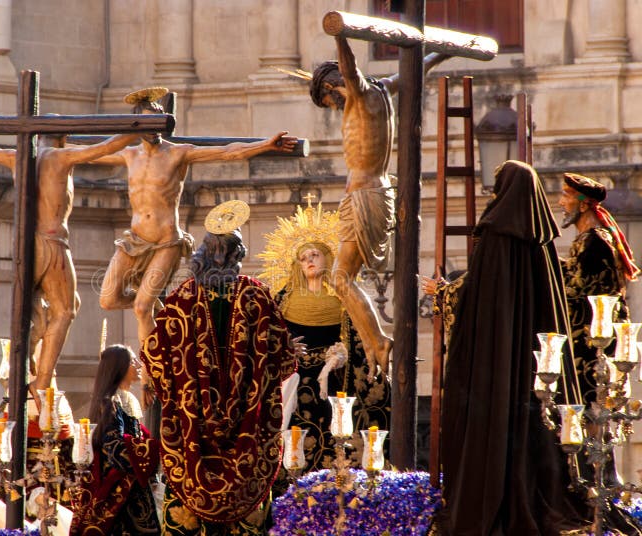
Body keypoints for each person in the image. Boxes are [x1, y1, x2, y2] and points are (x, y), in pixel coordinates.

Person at [0, 131, 140, 404]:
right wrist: (137, 129)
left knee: (35, 308)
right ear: (61, 138)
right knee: (65, 309)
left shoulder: (18, 157)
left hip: (25, 247)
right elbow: (107, 146)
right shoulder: (61, 157)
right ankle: (41, 381)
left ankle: (27, 365)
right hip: (52, 241)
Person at [436, 161, 589, 535]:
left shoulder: (493, 236)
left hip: (495, 361)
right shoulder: (542, 242)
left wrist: (445, 292)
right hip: (539, 363)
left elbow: (479, 297)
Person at [93, 87, 298, 348]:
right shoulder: (128, 154)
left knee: (142, 309)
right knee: (108, 300)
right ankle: (152, 301)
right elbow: (86, 156)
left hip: (166, 241)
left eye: (159, 122)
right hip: (134, 239)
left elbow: (228, 152)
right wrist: (53, 141)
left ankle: (150, 378)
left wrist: (265, 145)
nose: (156, 129)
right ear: (136, 125)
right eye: (149, 122)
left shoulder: (178, 153)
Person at [140, 200, 297, 535]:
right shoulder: (257, 296)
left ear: (206, 252)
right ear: (234, 254)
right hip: (247, 434)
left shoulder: (182, 298)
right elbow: (284, 360)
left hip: (193, 434)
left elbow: (155, 356)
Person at [309, 36, 449, 378]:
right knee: (342, 278)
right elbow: (416, 69)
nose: (333, 109)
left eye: (328, 102)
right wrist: (439, 52)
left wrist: (340, 35)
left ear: (332, 87)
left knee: (340, 278)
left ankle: (380, 341)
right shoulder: (384, 89)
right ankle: (374, 342)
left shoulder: (357, 95)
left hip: (364, 196)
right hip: (373, 192)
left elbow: (349, 68)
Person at [258, 203, 390, 479]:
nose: (309, 260)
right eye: (304, 256)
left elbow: (361, 337)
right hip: (296, 384)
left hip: (337, 387)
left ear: (329, 258)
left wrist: (342, 354)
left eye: (315, 254)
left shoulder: (346, 298)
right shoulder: (280, 301)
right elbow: (266, 342)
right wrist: (285, 351)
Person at [558, 173, 640, 404]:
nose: (560, 203)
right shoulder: (587, 240)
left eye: (566, 196)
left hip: (591, 352)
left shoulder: (595, 243)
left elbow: (575, 291)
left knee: (586, 414)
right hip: (584, 347)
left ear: (584, 204)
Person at [69, 345, 160, 535]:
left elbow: (136, 437)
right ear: (119, 367)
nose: (137, 365)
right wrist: (153, 451)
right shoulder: (109, 403)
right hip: (117, 492)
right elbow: (117, 451)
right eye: (132, 361)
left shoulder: (127, 399)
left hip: (134, 488)